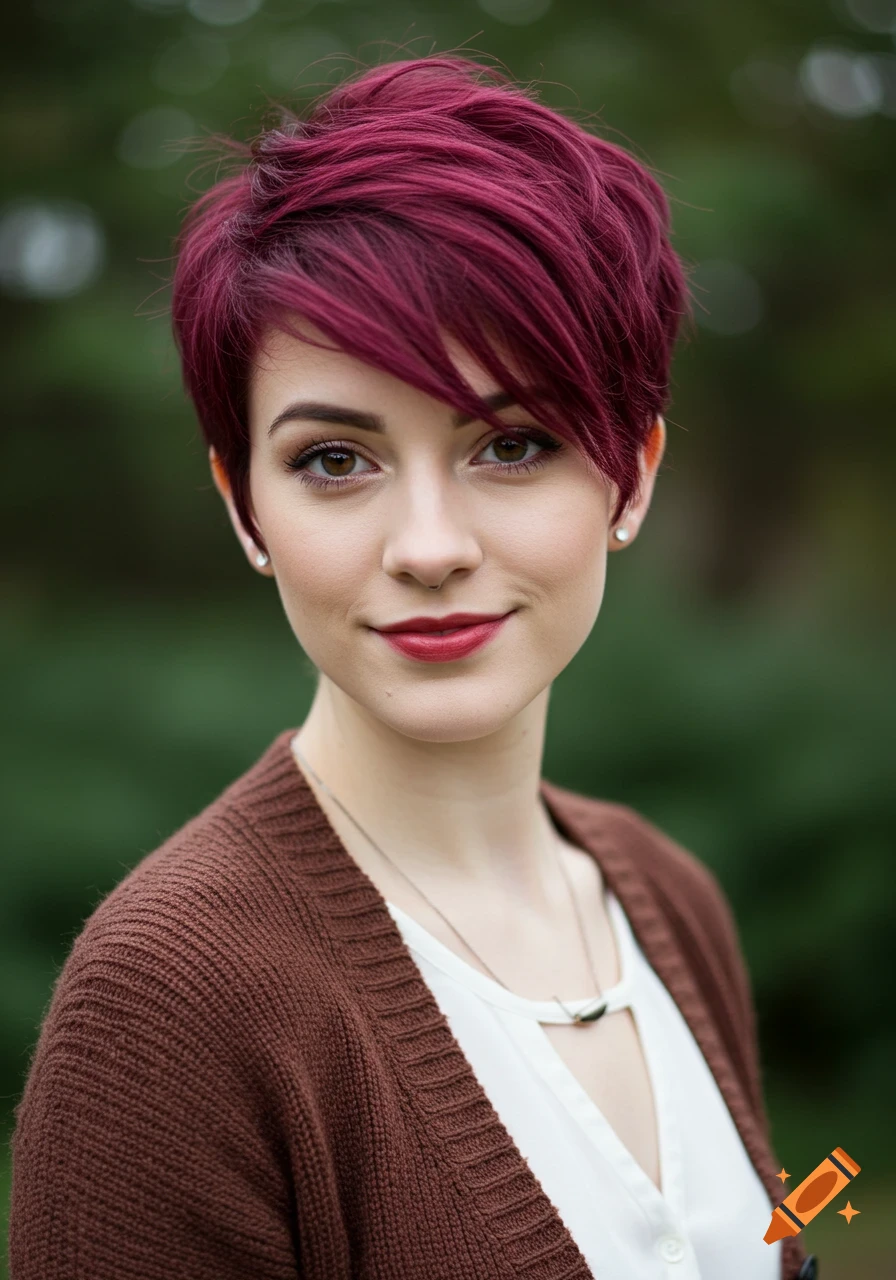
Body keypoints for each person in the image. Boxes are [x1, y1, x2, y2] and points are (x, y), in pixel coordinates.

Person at [8, 53, 815, 1280]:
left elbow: (784, 1231)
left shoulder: (666, 895)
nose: (429, 548)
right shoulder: (172, 1004)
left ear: (632, 476)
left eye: (512, 443)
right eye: (335, 459)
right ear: (243, 508)